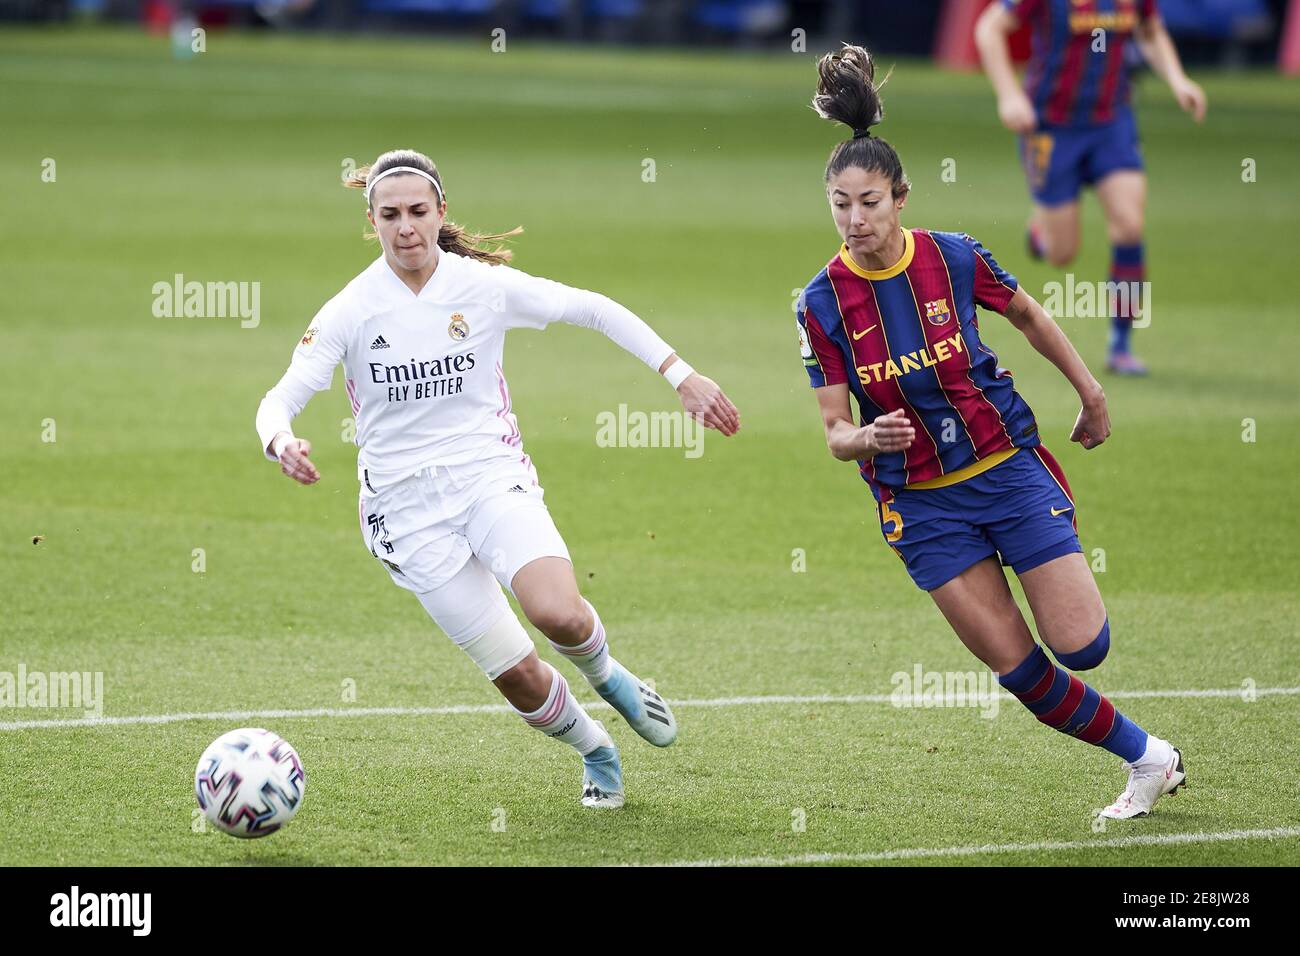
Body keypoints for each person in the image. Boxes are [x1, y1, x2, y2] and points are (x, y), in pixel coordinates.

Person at [255, 148, 741, 809]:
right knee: (517, 675)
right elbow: (279, 398)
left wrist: (682, 375)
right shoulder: (352, 309)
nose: (406, 228)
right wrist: (280, 441)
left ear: (441, 213)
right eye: (390, 215)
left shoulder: (481, 287)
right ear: (371, 222)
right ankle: (596, 750)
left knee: (558, 613)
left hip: (488, 475)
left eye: (418, 213)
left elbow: (592, 307)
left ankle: (610, 675)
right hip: (404, 514)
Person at [796, 46, 1183, 819]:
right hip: (922, 507)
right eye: (840, 203)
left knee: (1082, 647)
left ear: (901, 198)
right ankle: (1150, 759)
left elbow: (1032, 316)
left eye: (869, 201)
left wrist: (1091, 392)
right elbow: (835, 429)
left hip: (1004, 466)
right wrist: (861, 443)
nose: (855, 219)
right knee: (1022, 672)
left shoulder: (954, 257)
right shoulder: (820, 303)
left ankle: (1052, 560)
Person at [975, 0, 1207, 375]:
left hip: (1111, 122)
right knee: (1062, 254)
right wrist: (1009, 95)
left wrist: (1178, 79)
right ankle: (1042, 233)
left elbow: (1150, 32)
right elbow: (989, 28)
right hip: (1049, 125)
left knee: (1129, 226)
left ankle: (1121, 344)